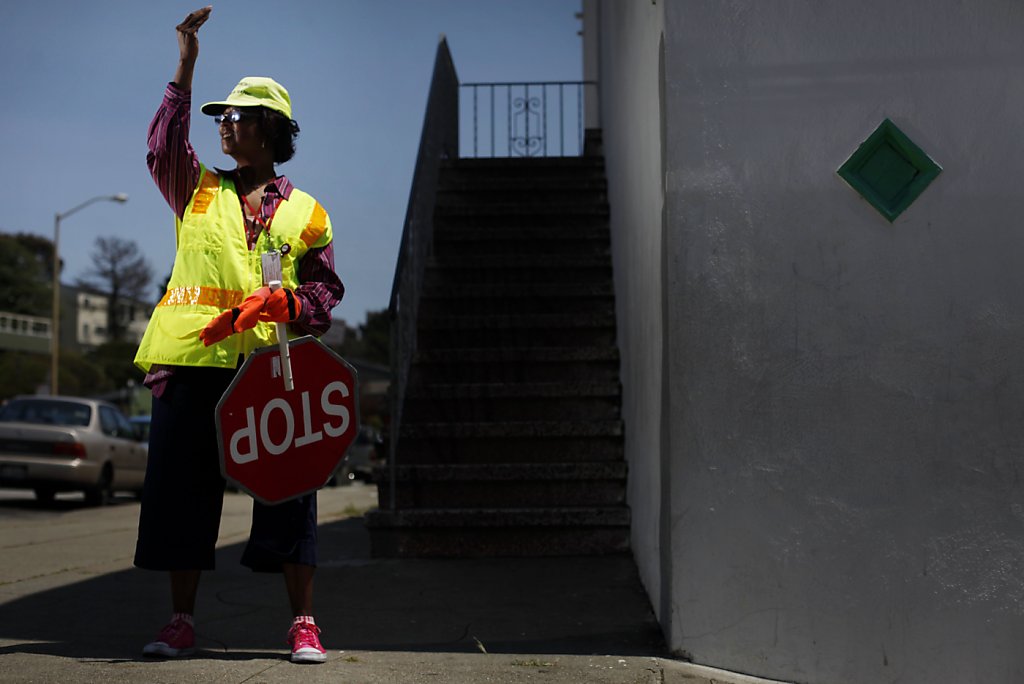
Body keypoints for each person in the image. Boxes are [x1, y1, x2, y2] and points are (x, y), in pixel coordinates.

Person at [132, 6, 344, 664]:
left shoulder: (308, 212)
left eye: (238, 116)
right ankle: (180, 622)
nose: (225, 125)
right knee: (181, 494)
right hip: (193, 361)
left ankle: (303, 624)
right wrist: (185, 65)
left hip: (270, 370)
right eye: (220, 117)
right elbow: (161, 144)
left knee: (290, 491)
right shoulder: (194, 187)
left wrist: (291, 304)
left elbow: (325, 293)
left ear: (270, 129)